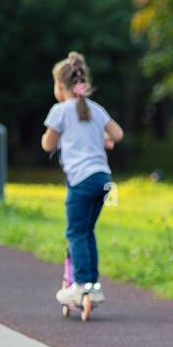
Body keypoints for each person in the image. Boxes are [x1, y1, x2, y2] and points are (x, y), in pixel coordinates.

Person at [41, 51, 123, 309]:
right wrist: (100, 138)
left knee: (75, 232)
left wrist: (53, 138)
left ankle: (81, 286)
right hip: (103, 179)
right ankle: (93, 287)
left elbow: (48, 144)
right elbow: (117, 134)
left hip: (81, 181)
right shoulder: (96, 109)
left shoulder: (60, 111)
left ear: (59, 85)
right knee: (87, 232)